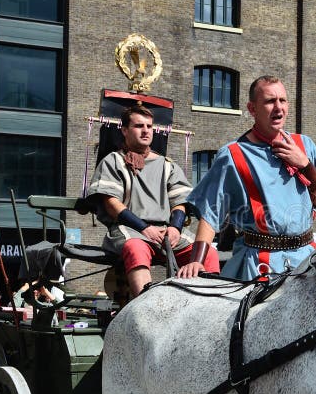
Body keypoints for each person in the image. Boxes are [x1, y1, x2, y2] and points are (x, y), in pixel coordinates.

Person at [180, 75, 316, 280]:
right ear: (252, 109)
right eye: (270, 101)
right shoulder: (232, 155)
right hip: (259, 264)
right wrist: (196, 261)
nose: (278, 107)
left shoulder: (304, 145)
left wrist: (305, 164)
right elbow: (211, 214)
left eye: (283, 100)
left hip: (307, 260)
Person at [87, 104, 220, 298]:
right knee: (135, 247)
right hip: (131, 230)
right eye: (139, 126)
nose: (146, 131)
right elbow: (112, 205)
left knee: (208, 252)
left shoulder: (167, 165)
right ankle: (145, 310)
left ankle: (208, 306)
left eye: (149, 126)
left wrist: (175, 228)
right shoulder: (112, 161)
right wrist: (144, 228)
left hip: (167, 231)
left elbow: (179, 203)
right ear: (124, 130)